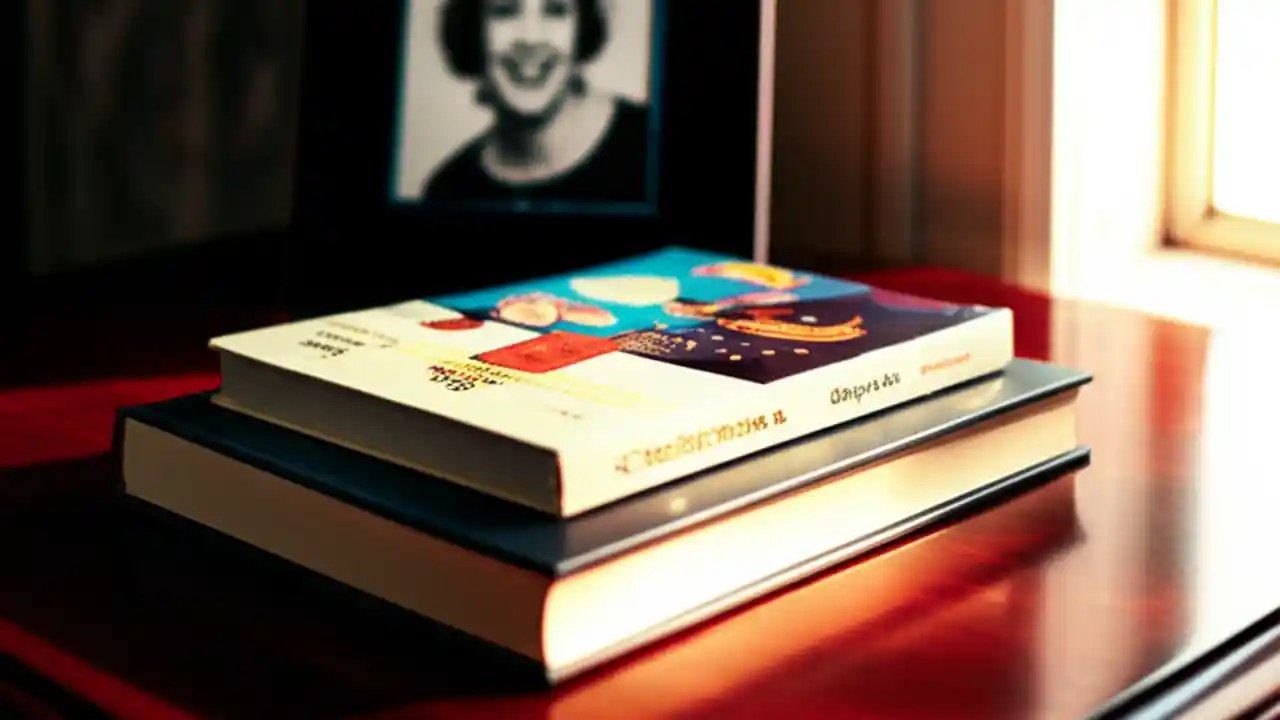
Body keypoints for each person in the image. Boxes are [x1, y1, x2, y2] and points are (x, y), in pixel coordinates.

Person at [423, 0, 651, 203]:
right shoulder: (448, 191)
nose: (531, 38)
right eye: (505, 11)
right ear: (473, 32)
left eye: (555, 10)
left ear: (582, 28)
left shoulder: (651, 147)